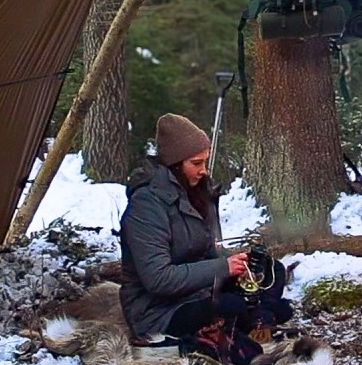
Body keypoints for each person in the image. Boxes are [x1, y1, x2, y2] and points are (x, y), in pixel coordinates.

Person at [119, 113, 293, 361]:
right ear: (176, 163)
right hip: (158, 309)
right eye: (196, 163)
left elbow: (206, 251)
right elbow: (158, 279)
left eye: (205, 162)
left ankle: (253, 315)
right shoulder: (146, 206)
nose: (203, 170)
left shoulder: (195, 193)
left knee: (272, 270)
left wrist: (241, 266)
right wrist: (222, 268)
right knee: (231, 306)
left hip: (197, 291)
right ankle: (252, 318)